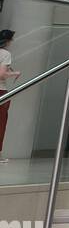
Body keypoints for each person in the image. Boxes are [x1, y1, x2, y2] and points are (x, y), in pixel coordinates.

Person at [0, 29, 21, 162]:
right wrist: (15, 73)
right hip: (1, 91)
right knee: (1, 122)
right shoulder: (5, 54)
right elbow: (1, 74)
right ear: (7, 41)